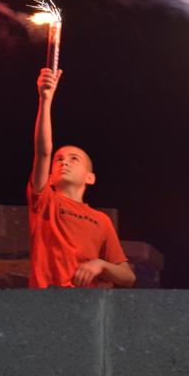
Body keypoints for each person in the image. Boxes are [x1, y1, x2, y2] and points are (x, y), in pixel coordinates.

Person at [27, 67, 134, 288]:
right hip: (44, 304)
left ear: (90, 178)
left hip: (83, 309)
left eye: (74, 158)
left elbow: (128, 276)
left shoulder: (101, 220)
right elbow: (43, 151)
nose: (64, 162)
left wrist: (101, 265)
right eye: (59, 159)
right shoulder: (46, 201)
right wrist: (45, 100)